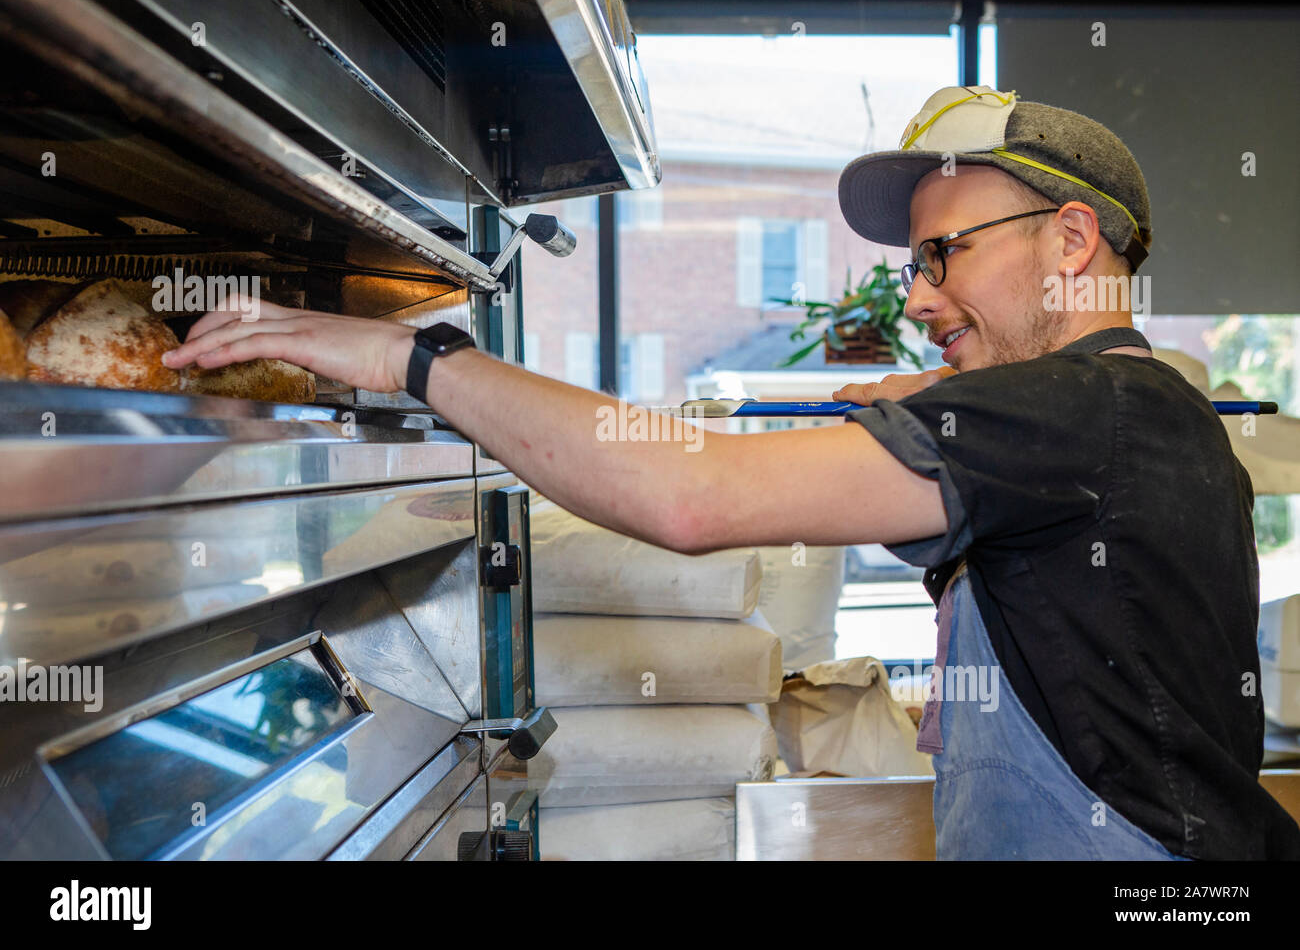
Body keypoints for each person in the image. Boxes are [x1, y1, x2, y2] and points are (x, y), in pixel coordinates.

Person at [163, 85, 1300, 860]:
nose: (912, 296)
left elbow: (693, 494)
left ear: (1068, 240)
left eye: (944, 253)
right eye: (911, 264)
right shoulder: (1141, 411)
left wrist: (414, 356)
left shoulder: (1072, 409)